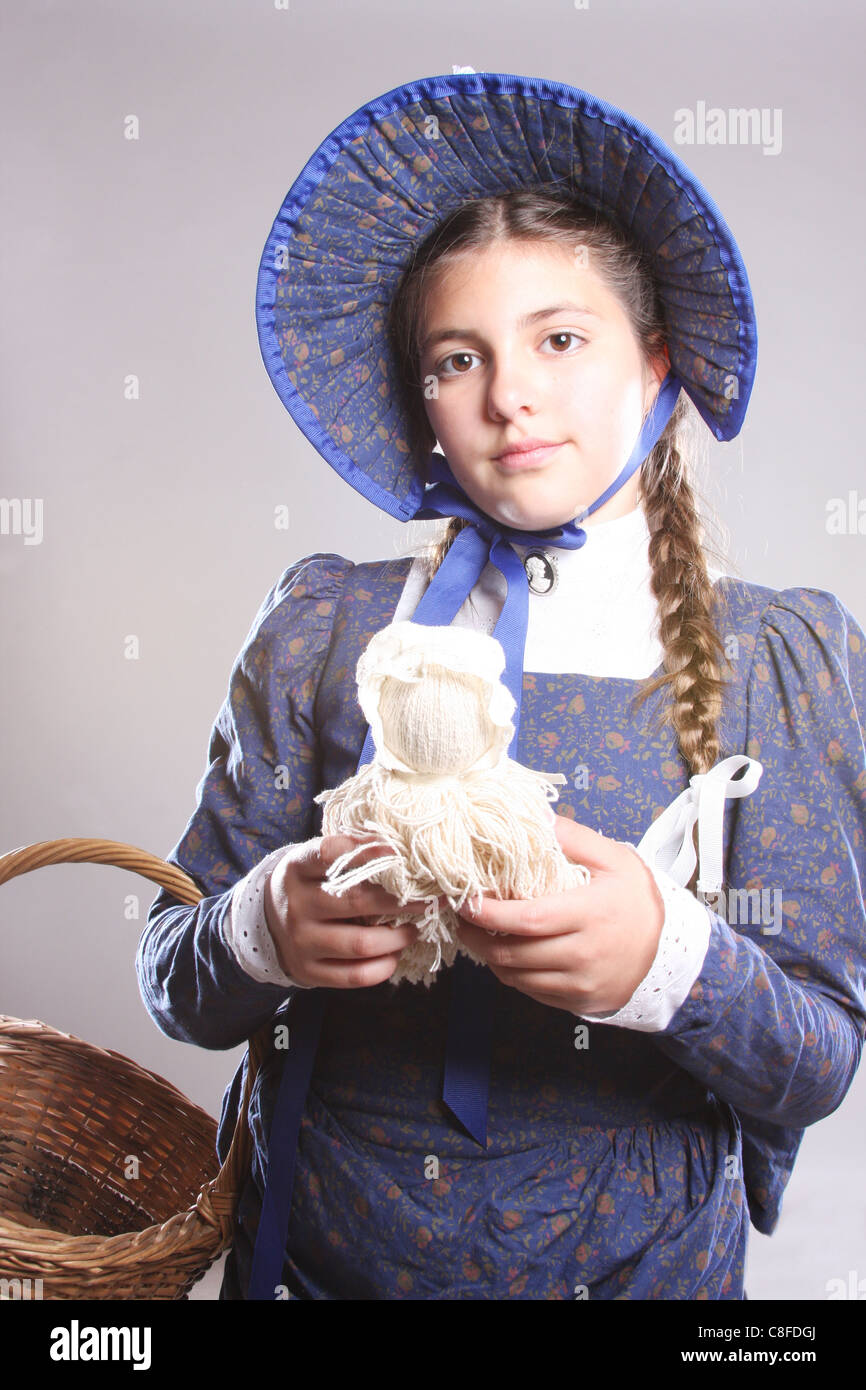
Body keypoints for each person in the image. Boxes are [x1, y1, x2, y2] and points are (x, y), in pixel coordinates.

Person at [136, 71, 866, 1300]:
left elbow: (815, 1062)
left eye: (558, 340)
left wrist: (667, 958)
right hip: (318, 1258)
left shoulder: (773, 658)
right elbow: (172, 975)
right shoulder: (324, 626)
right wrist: (264, 925)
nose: (507, 394)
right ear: (424, 401)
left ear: (655, 364)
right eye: (456, 358)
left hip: (640, 1275)